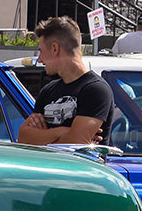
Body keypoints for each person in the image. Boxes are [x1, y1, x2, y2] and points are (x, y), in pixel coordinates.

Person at [17, 16, 114, 146]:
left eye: (41, 51)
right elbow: (24, 138)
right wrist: (62, 131)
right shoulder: (48, 91)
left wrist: (43, 137)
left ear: (55, 48)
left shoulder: (96, 90)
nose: (39, 59)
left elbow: (75, 144)